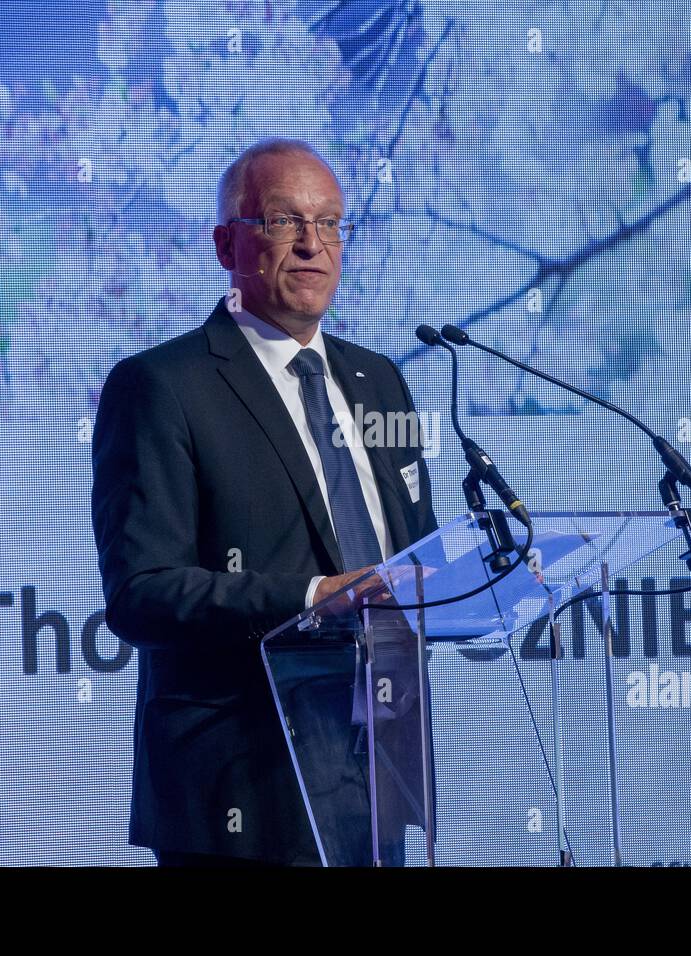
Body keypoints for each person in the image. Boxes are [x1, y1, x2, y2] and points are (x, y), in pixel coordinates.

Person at [91, 138, 439, 866]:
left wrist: (481, 585)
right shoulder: (161, 386)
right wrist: (318, 596)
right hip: (240, 783)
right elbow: (141, 593)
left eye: (333, 223)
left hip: (376, 765)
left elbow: (416, 556)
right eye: (285, 222)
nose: (314, 244)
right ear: (227, 243)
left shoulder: (382, 383)